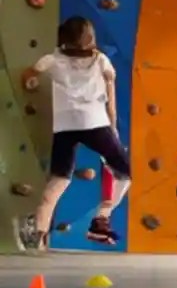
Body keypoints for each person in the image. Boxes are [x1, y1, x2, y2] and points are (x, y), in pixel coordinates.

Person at [20, 17, 131, 249]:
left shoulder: (51, 60)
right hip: (95, 124)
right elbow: (110, 98)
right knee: (124, 172)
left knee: (59, 179)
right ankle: (101, 218)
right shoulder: (101, 60)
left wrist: (31, 84)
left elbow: (29, 76)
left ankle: (38, 230)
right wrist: (113, 129)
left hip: (65, 126)